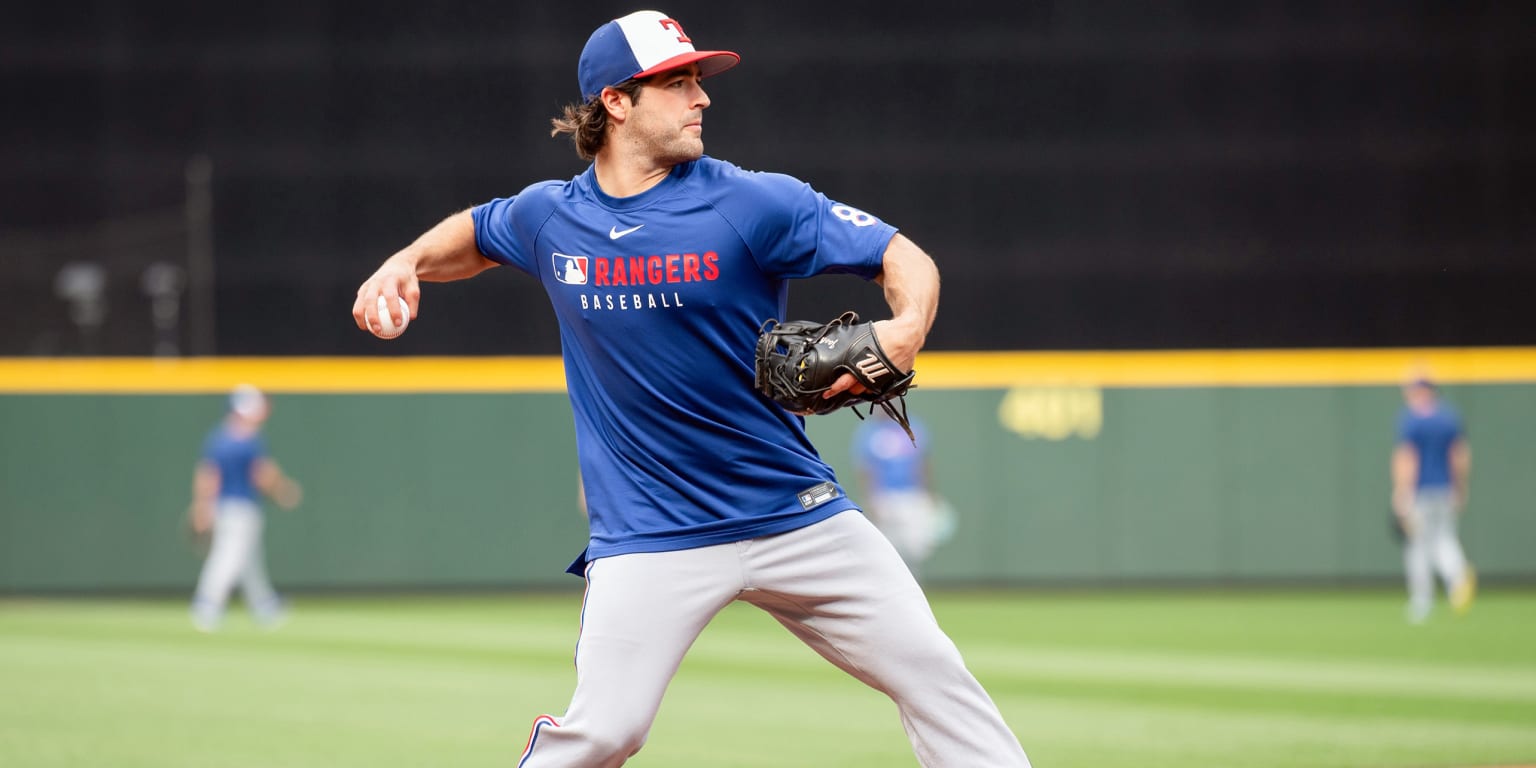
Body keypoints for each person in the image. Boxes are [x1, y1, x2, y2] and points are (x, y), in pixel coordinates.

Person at [351, 10, 1030, 767]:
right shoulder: (552, 217)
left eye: (698, 82)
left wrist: (904, 329)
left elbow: (902, 254)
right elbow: (476, 235)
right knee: (607, 732)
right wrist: (405, 263)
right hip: (650, 534)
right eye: (677, 83)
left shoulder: (751, 204)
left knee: (936, 677)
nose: (701, 98)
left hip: (793, 513)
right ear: (616, 102)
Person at [188, 384, 303, 632]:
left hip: (224, 507)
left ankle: (264, 605)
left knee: (249, 559)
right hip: (240, 509)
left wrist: (202, 507)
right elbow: (261, 475)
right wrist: (283, 490)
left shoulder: (218, 437)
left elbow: (207, 476)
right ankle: (207, 603)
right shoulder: (248, 441)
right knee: (228, 558)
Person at [1391, 376, 1476, 624]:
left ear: (1419, 391)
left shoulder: (1412, 420)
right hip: (1446, 489)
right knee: (1444, 538)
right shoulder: (1449, 417)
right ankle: (1458, 576)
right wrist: (1460, 485)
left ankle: (1422, 600)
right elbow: (1459, 454)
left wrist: (1402, 491)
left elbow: (1408, 458)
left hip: (1420, 490)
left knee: (1418, 545)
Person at [852, 412, 947, 579]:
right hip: (884, 496)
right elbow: (866, 469)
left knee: (914, 548)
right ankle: (888, 584)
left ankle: (913, 584)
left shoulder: (912, 426)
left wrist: (928, 493)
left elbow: (923, 463)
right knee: (886, 547)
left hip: (911, 494)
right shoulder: (869, 431)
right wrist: (871, 498)